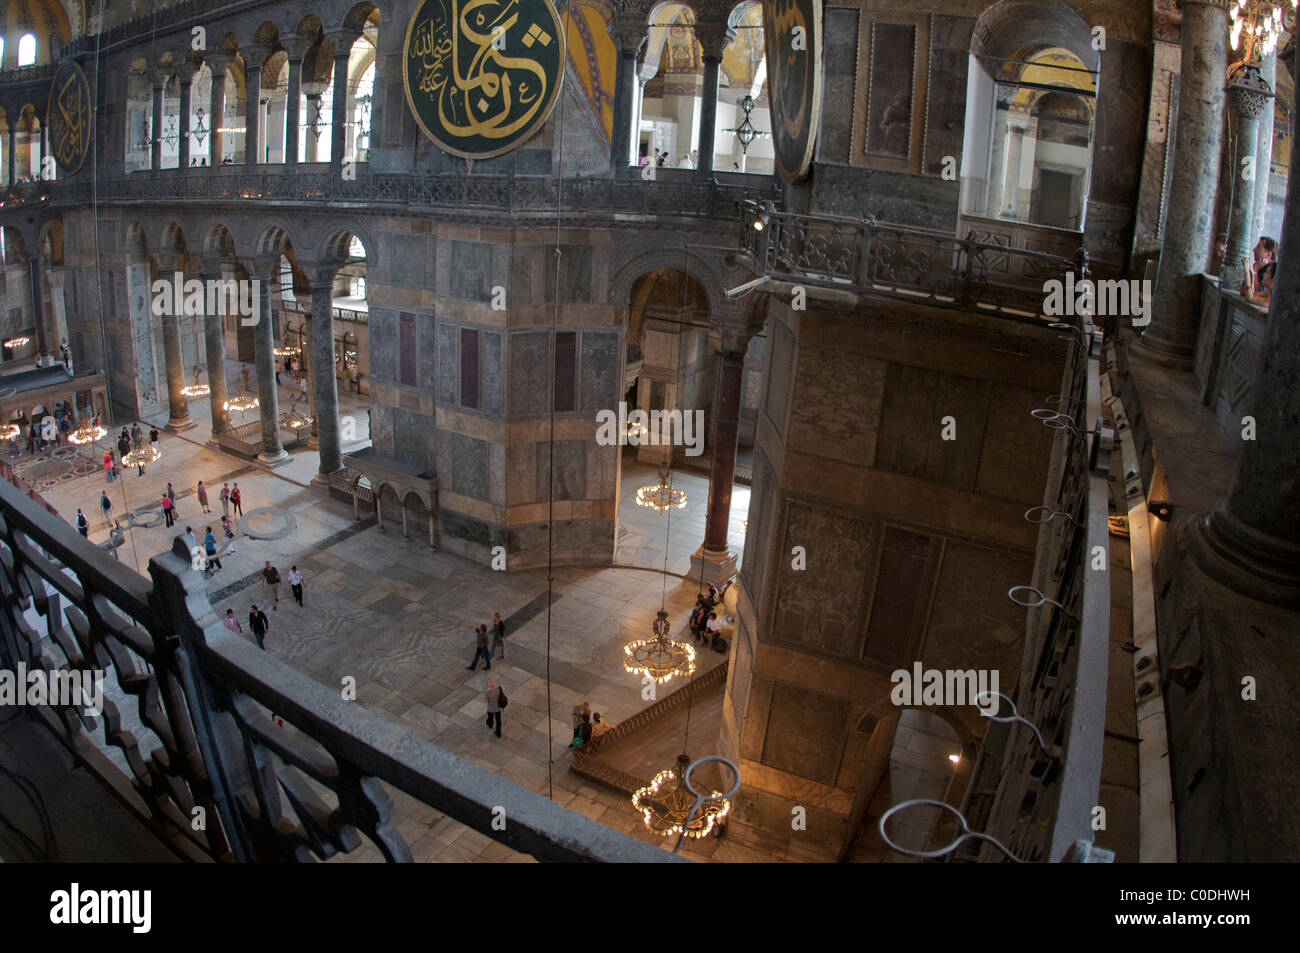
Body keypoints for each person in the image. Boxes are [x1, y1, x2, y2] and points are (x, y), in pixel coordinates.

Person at [1240, 235, 1278, 306]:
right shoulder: (1259, 267)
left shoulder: (1271, 270)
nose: (1254, 249)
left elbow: (1252, 295)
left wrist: (1254, 272)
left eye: (1258, 247)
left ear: (1268, 255)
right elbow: (1243, 292)